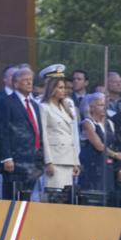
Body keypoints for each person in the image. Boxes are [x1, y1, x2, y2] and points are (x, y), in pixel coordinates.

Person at [0, 65, 43, 201]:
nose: (29, 83)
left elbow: (38, 132)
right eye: (25, 79)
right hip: (15, 162)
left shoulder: (35, 105)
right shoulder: (7, 103)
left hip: (33, 162)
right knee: (12, 199)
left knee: (27, 200)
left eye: (31, 80)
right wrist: (7, 157)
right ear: (15, 83)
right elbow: (2, 131)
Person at [39, 66, 80, 202]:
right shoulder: (44, 106)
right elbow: (43, 135)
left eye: (64, 87)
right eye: (60, 87)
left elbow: (71, 136)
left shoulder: (65, 106)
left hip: (67, 158)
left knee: (66, 197)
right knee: (54, 195)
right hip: (55, 159)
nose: (64, 91)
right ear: (52, 89)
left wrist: (75, 162)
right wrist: (48, 161)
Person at [80, 92, 121, 203]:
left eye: (105, 105)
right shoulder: (87, 123)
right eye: (100, 105)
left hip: (108, 167)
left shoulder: (110, 123)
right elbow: (98, 145)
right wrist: (115, 155)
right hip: (93, 166)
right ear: (91, 107)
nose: (104, 108)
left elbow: (115, 143)